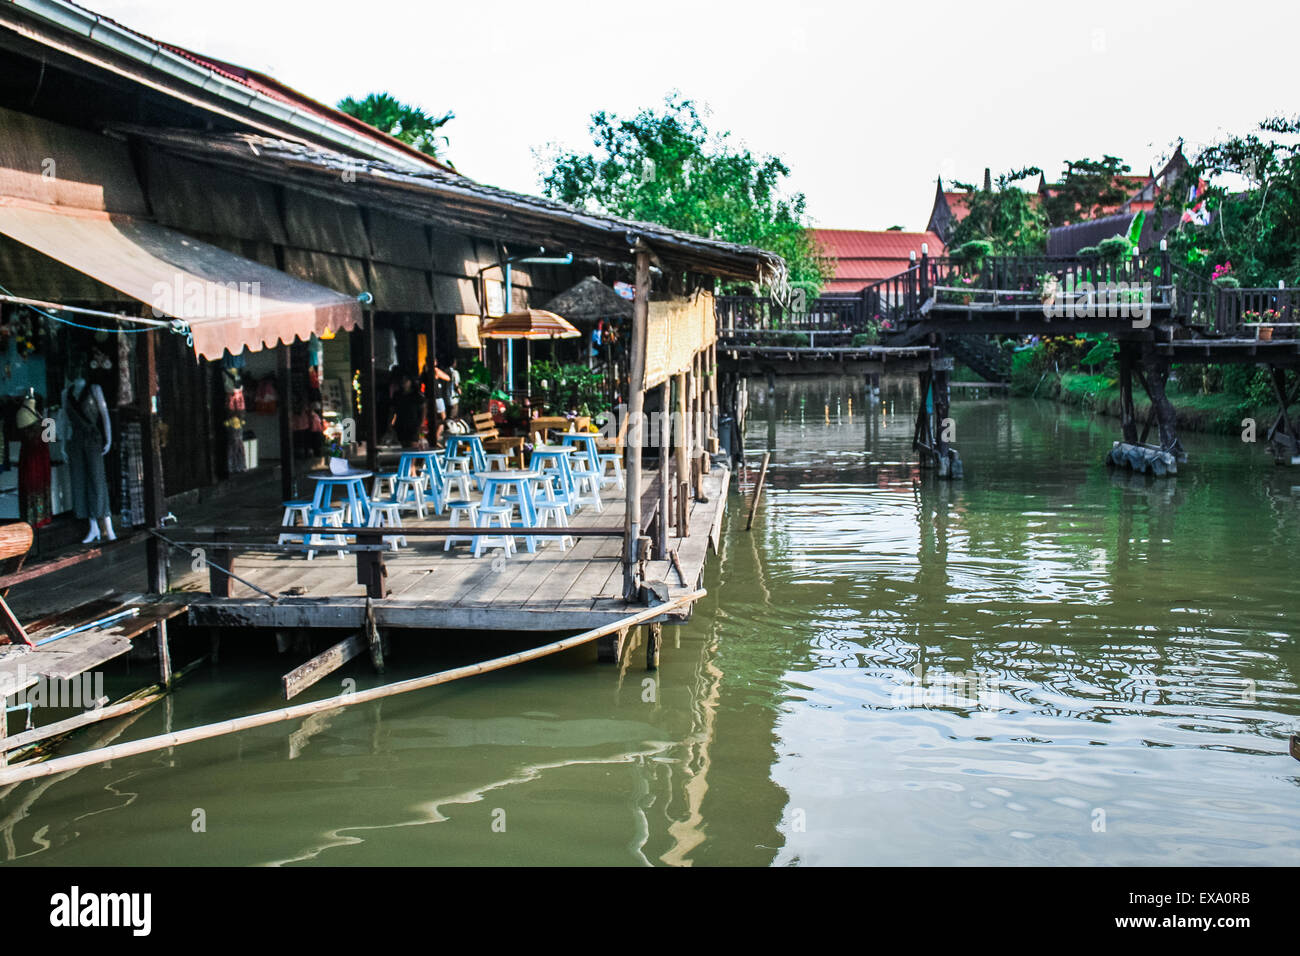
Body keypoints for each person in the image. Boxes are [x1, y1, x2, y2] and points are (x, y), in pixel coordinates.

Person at [390, 374, 427, 448]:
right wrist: (391, 422)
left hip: (413, 424)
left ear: (411, 382)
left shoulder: (417, 395)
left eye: (406, 380)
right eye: (402, 380)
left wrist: (421, 423)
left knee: (413, 445)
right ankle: (409, 459)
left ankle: (412, 459)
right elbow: (393, 410)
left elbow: (424, 409)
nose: (403, 382)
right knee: (404, 445)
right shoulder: (397, 395)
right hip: (401, 423)